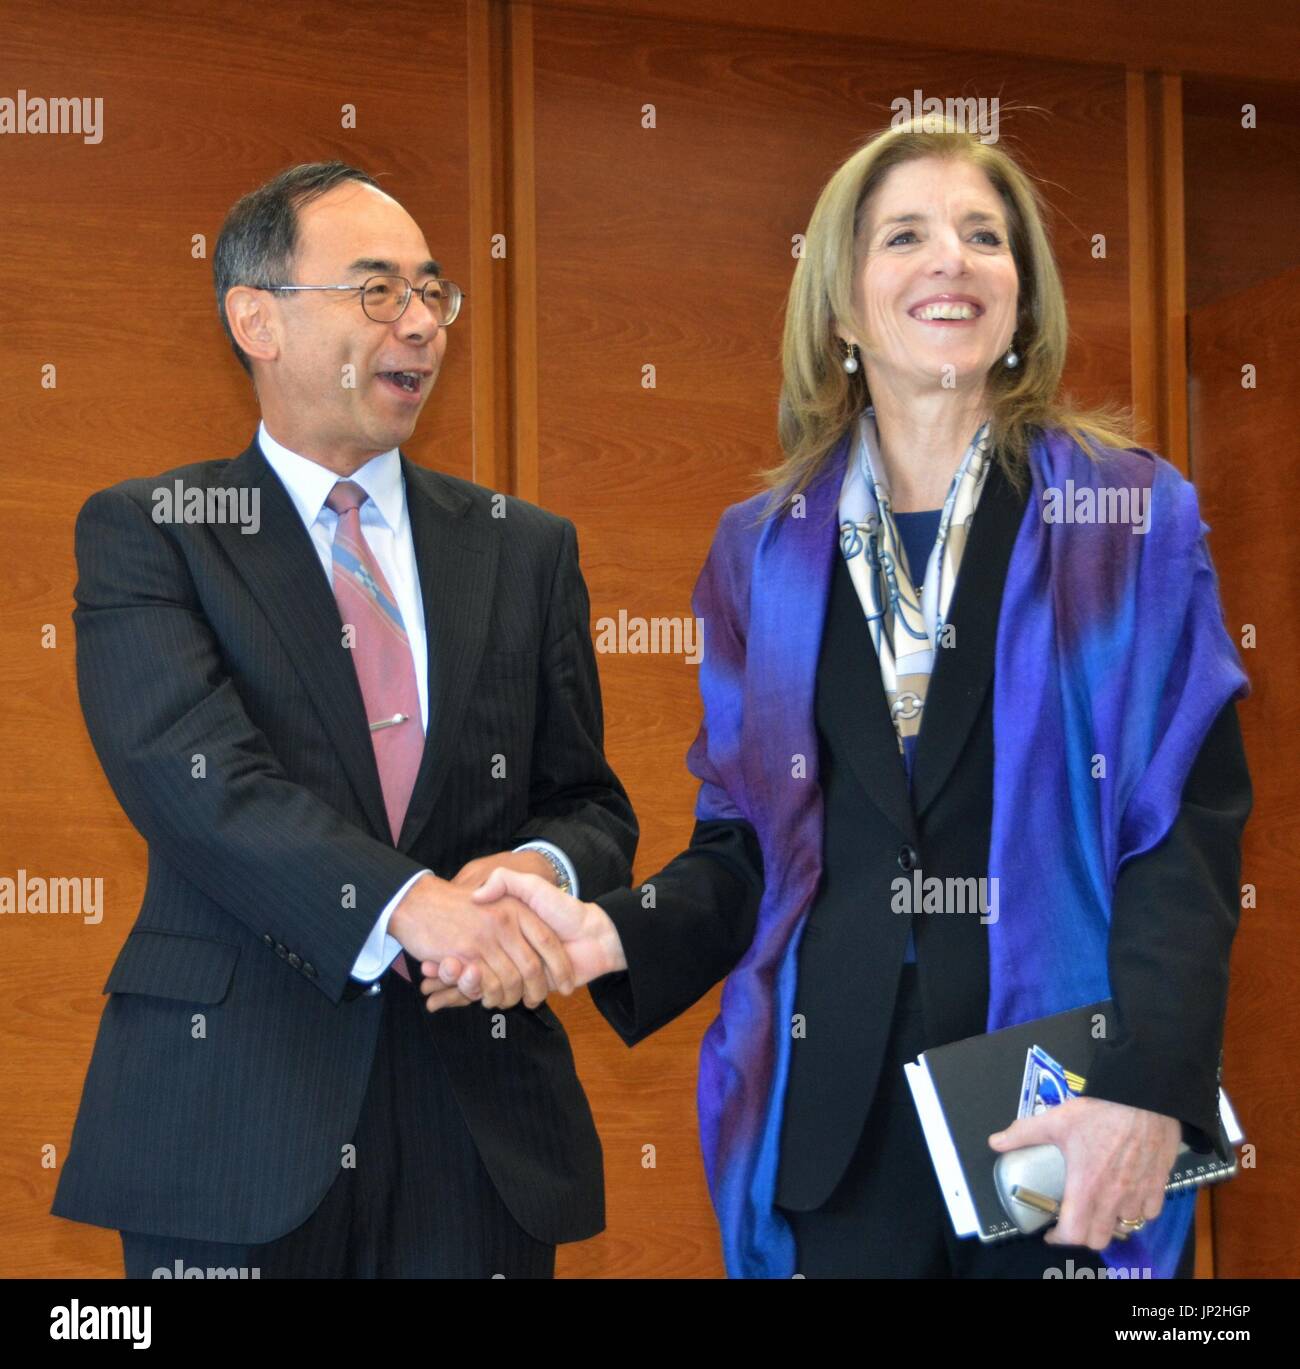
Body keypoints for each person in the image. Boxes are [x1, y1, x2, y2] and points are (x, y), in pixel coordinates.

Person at [422, 119, 1252, 1279]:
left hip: (1063, 1111)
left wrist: (1149, 1089)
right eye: (904, 235)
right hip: (832, 1126)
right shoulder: (760, 551)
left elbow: (1185, 839)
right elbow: (754, 846)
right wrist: (611, 930)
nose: (951, 261)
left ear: (1024, 295)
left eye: (984, 237)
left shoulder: (1127, 518)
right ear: (845, 308)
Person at [51, 161, 637, 1279]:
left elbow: (587, 800)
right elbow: (197, 783)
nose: (419, 323)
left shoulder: (524, 547)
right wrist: (414, 907)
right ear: (255, 317)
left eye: (432, 293)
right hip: (232, 1111)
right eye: (376, 291)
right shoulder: (155, 530)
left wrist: (533, 875)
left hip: (481, 1124)